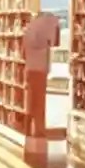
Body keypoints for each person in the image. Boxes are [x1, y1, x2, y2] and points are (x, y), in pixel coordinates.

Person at [22, 9, 61, 145]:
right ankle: (39, 129)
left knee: (31, 100)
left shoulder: (28, 31)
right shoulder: (44, 32)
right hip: (40, 70)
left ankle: (28, 128)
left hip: (30, 68)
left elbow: (23, 52)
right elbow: (55, 42)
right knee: (39, 101)